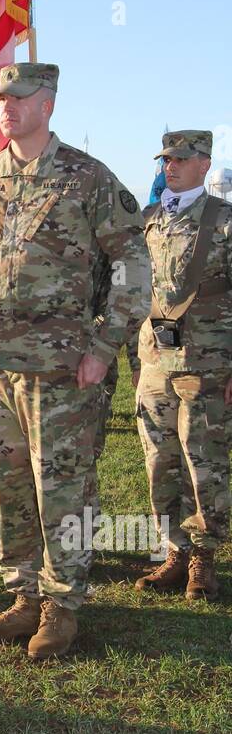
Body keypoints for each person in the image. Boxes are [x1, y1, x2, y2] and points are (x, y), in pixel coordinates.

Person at [0, 62, 150, 659]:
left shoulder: (88, 178)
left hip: (63, 367)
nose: (7, 107)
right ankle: (23, 595)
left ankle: (63, 605)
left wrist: (103, 345)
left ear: (48, 104)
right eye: (2, 98)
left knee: (63, 486)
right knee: (10, 484)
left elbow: (133, 264)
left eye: (20, 98)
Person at [133, 130, 231, 601]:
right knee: (159, 458)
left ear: (204, 164)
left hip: (207, 360)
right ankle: (174, 549)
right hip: (154, 358)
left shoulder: (224, 220)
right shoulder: (148, 219)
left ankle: (203, 559)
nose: (169, 166)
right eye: (166, 159)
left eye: (180, 159)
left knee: (203, 460)